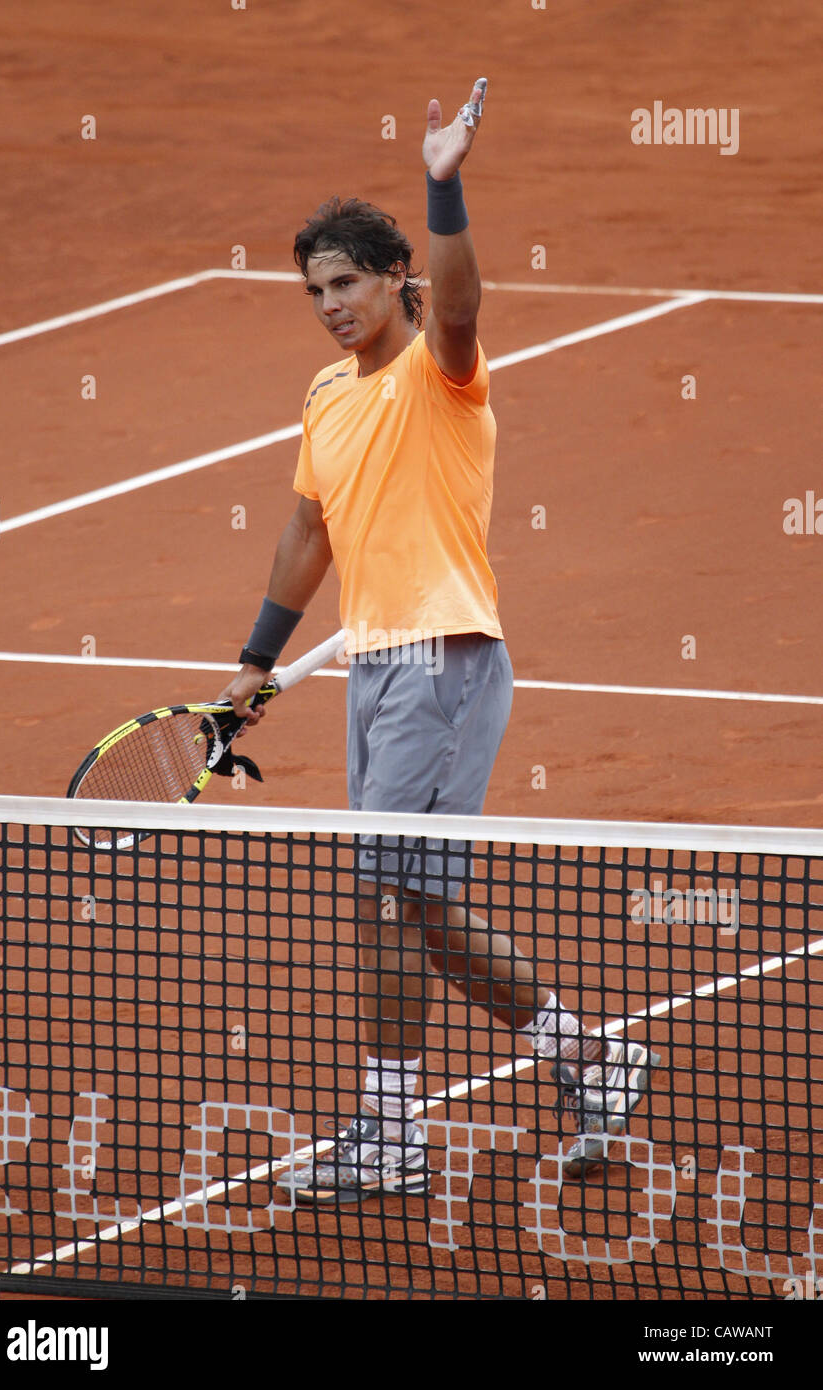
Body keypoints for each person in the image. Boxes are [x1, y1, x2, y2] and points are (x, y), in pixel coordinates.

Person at [222, 78, 659, 1200]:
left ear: (395, 282)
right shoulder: (324, 394)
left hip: (445, 658)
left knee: (383, 896)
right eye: (313, 287)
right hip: (376, 664)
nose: (327, 303)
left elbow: (460, 303)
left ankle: (389, 1130)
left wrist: (442, 180)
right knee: (415, 901)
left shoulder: (441, 371)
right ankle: (589, 1057)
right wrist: (255, 663)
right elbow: (308, 529)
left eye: (347, 283)